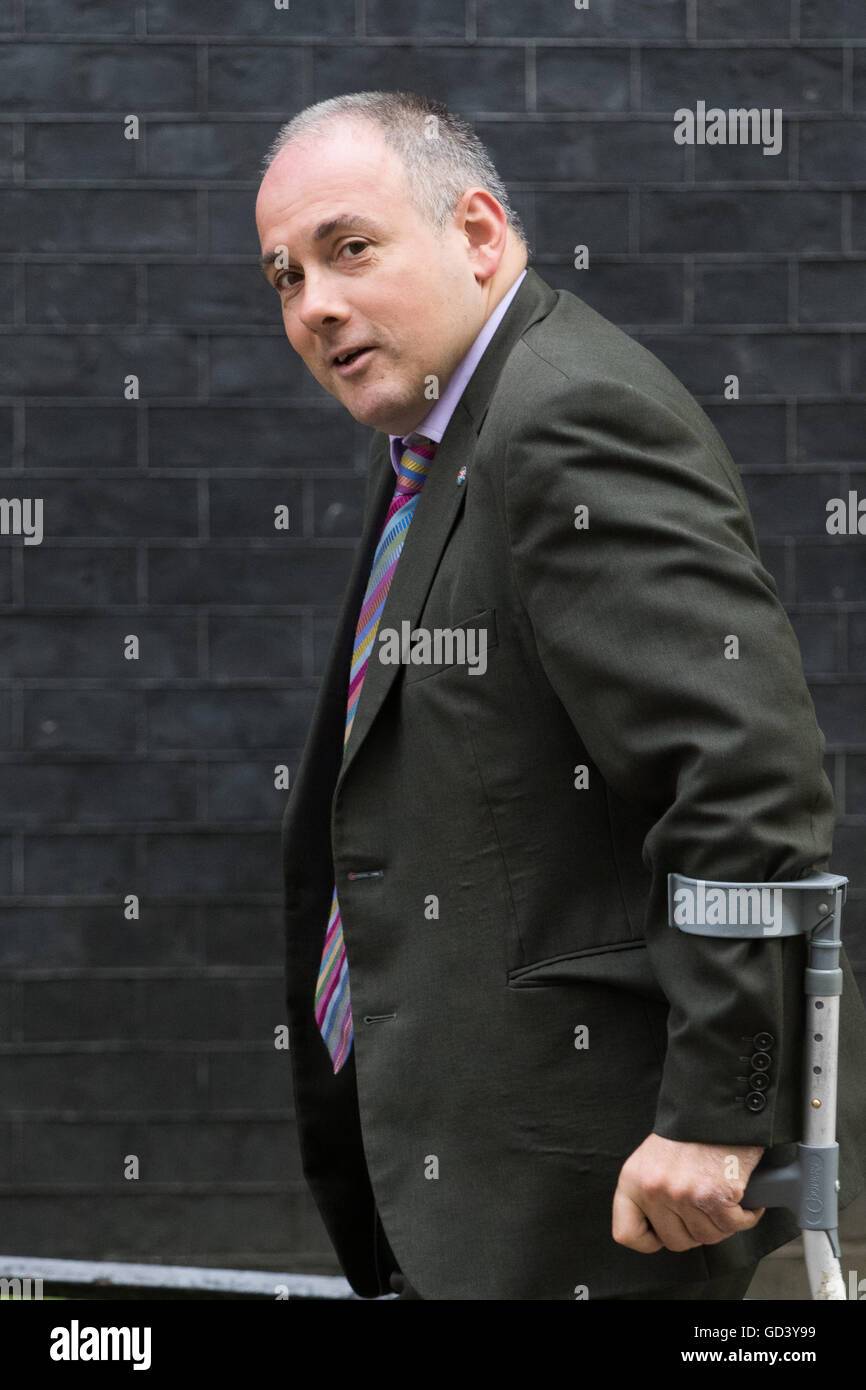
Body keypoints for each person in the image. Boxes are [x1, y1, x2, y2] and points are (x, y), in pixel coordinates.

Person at [255, 90, 866, 1300]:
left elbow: (741, 772)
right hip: (484, 1196)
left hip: (612, 1214)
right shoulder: (448, 445)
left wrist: (718, 1113)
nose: (314, 303)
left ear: (478, 235)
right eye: (282, 276)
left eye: (348, 249)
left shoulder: (565, 418)